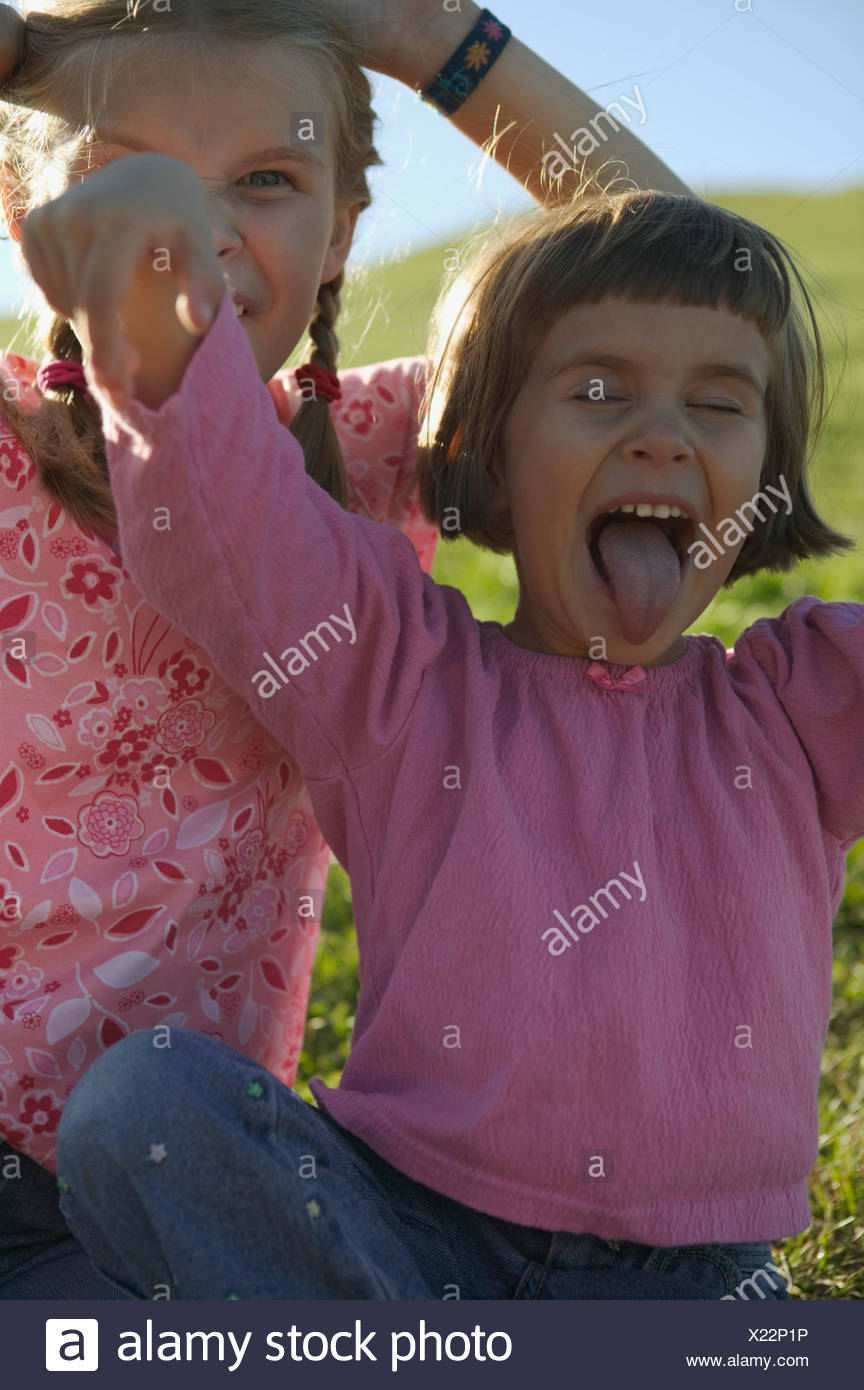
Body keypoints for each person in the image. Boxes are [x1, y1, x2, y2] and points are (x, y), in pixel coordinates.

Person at [27, 165, 861, 1297]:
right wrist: (153, 303)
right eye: (600, 391)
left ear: (767, 469)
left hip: (691, 1282)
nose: (663, 438)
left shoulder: (804, 704)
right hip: (407, 1234)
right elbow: (233, 526)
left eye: (718, 404)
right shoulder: (404, 677)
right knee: (144, 1103)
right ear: (488, 447)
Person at [0, 0, 690, 1300]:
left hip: (205, 1171)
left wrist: (433, 39)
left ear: (341, 234)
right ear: (25, 214)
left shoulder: (369, 454)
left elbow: (683, 290)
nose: (200, 229)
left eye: (267, 178)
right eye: (130, 176)